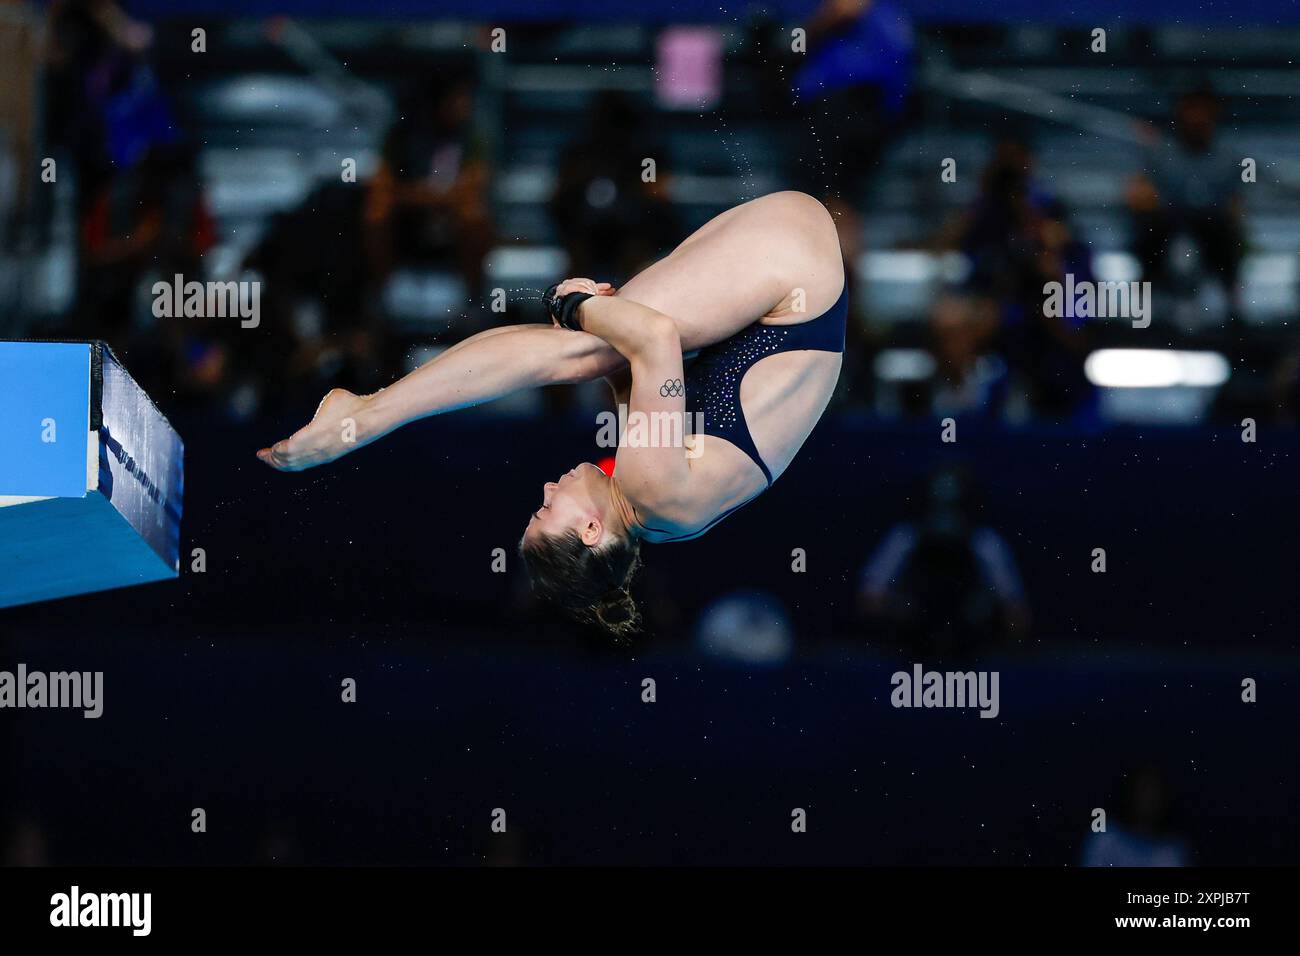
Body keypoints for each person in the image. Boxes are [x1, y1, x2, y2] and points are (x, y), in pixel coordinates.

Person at [258, 192, 847, 635]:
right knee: (577, 346)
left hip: (799, 274)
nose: (545, 487)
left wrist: (605, 320)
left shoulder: (660, 514)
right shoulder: (652, 493)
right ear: (592, 532)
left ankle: (369, 413)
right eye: (546, 509)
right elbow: (658, 340)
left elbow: (640, 372)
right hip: (793, 270)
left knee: (593, 351)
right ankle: (364, 418)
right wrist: (573, 305)